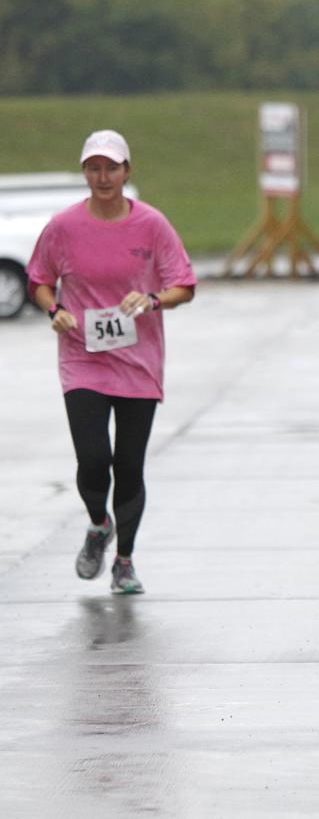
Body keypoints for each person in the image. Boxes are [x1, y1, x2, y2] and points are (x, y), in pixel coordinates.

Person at [27, 129, 196, 595]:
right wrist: (55, 310)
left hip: (138, 362)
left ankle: (124, 561)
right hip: (83, 359)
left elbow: (184, 284)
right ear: (85, 172)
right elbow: (39, 279)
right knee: (93, 458)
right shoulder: (63, 226)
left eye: (112, 167)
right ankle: (99, 523)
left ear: (127, 171)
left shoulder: (152, 225)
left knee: (129, 464)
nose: (103, 177)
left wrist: (152, 300)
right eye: (94, 168)